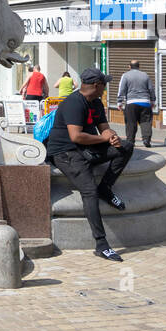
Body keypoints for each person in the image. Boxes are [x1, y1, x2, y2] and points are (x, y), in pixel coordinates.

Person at [46, 66, 134, 262]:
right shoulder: (73, 103)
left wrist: (112, 138)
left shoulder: (96, 103)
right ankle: (102, 244)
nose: (105, 88)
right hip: (65, 152)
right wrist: (103, 139)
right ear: (96, 85)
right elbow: (76, 136)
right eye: (104, 85)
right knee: (89, 191)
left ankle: (106, 188)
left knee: (126, 147)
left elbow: (104, 129)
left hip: (86, 148)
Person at [117, 59, 156, 149]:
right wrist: (153, 100)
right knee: (146, 122)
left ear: (129, 66)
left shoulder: (125, 75)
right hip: (145, 103)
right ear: (139, 66)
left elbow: (121, 89)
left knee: (131, 123)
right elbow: (151, 89)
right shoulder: (145, 75)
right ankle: (146, 140)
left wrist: (119, 102)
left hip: (131, 103)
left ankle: (130, 141)